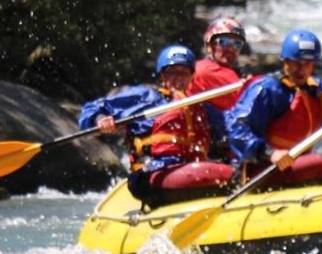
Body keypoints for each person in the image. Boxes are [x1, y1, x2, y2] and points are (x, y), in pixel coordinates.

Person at [79, 45, 234, 206]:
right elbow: (92, 109)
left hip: (191, 170)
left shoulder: (201, 107)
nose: (177, 78)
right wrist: (101, 119)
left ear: (192, 76)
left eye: (183, 72)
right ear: (162, 75)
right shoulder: (146, 97)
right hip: (151, 175)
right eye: (171, 72)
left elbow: (231, 128)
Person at [225, 29, 322, 187]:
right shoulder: (267, 90)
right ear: (285, 61)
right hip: (264, 170)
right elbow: (237, 128)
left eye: (307, 64)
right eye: (296, 63)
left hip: (295, 165)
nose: (301, 70)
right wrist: (269, 153)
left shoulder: (318, 90)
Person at [191, 17, 249, 109]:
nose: (231, 49)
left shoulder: (234, 72)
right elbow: (247, 98)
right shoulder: (206, 70)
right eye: (224, 42)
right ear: (210, 46)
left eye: (237, 44)